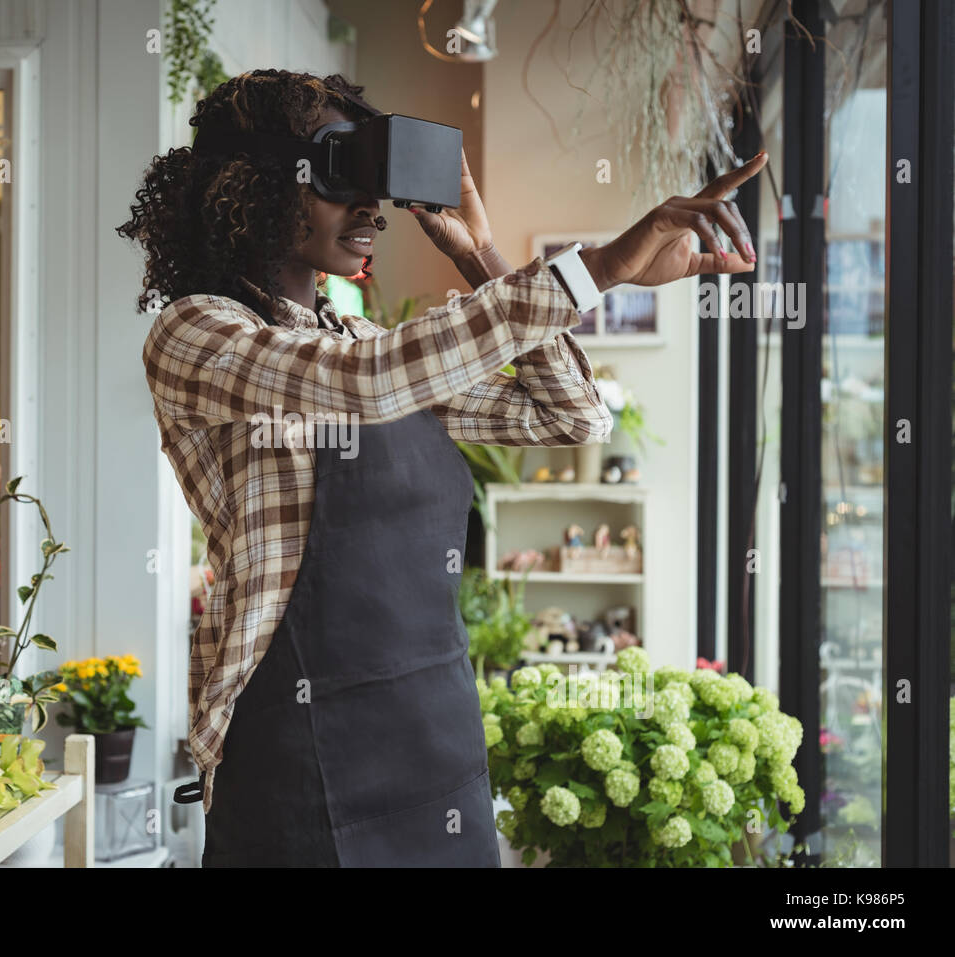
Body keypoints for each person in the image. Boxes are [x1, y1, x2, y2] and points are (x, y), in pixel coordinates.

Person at [117, 70, 765, 867]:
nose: (368, 209)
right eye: (337, 173)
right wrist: (597, 268)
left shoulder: (362, 346)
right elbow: (363, 385)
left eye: (373, 184)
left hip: (436, 754)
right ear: (253, 184)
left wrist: (483, 256)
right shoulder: (195, 333)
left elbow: (569, 413)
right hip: (295, 759)